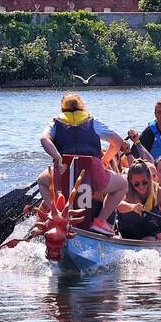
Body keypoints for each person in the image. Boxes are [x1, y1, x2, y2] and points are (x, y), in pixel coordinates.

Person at [37, 93, 129, 236]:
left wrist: (58, 158)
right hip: (93, 173)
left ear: (63, 108)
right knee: (123, 185)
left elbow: (44, 139)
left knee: (42, 181)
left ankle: (58, 215)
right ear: (82, 106)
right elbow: (117, 141)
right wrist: (105, 160)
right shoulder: (92, 121)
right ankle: (100, 221)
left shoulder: (55, 122)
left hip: (63, 171)